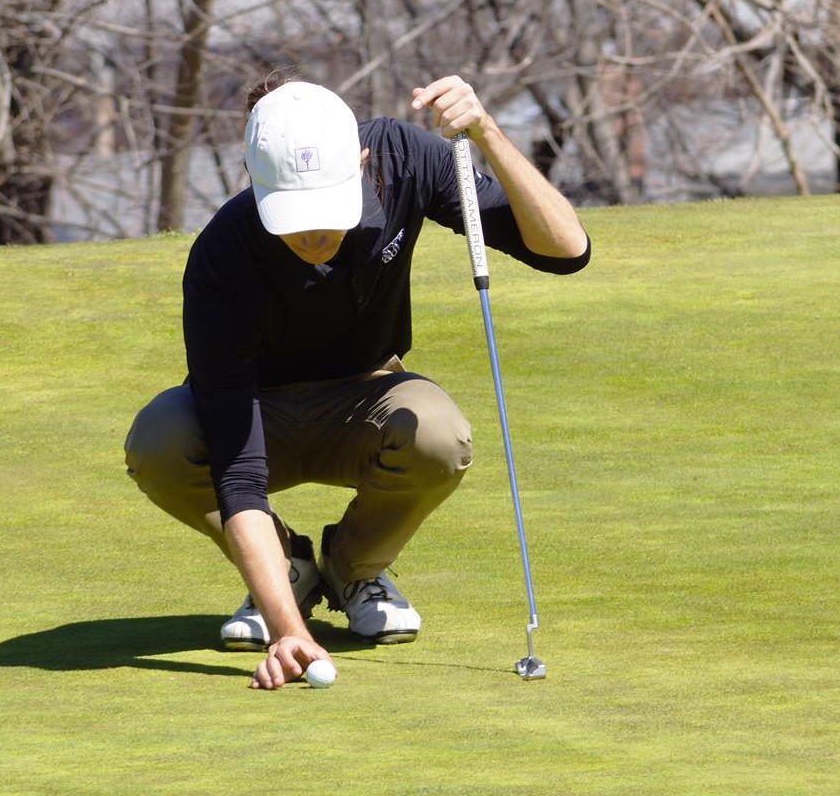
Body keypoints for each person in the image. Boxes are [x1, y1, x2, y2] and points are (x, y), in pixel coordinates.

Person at [124, 74, 590, 690]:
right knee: (159, 439)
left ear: (363, 161)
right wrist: (289, 631)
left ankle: (354, 569)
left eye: (326, 211)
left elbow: (565, 250)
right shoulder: (222, 254)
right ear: (253, 180)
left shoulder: (405, 159)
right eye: (294, 216)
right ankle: (287, 571)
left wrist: (486, 132)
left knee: (436, 431)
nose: (313, 236)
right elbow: (239, 475)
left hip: (368, 396)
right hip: (260, 413)